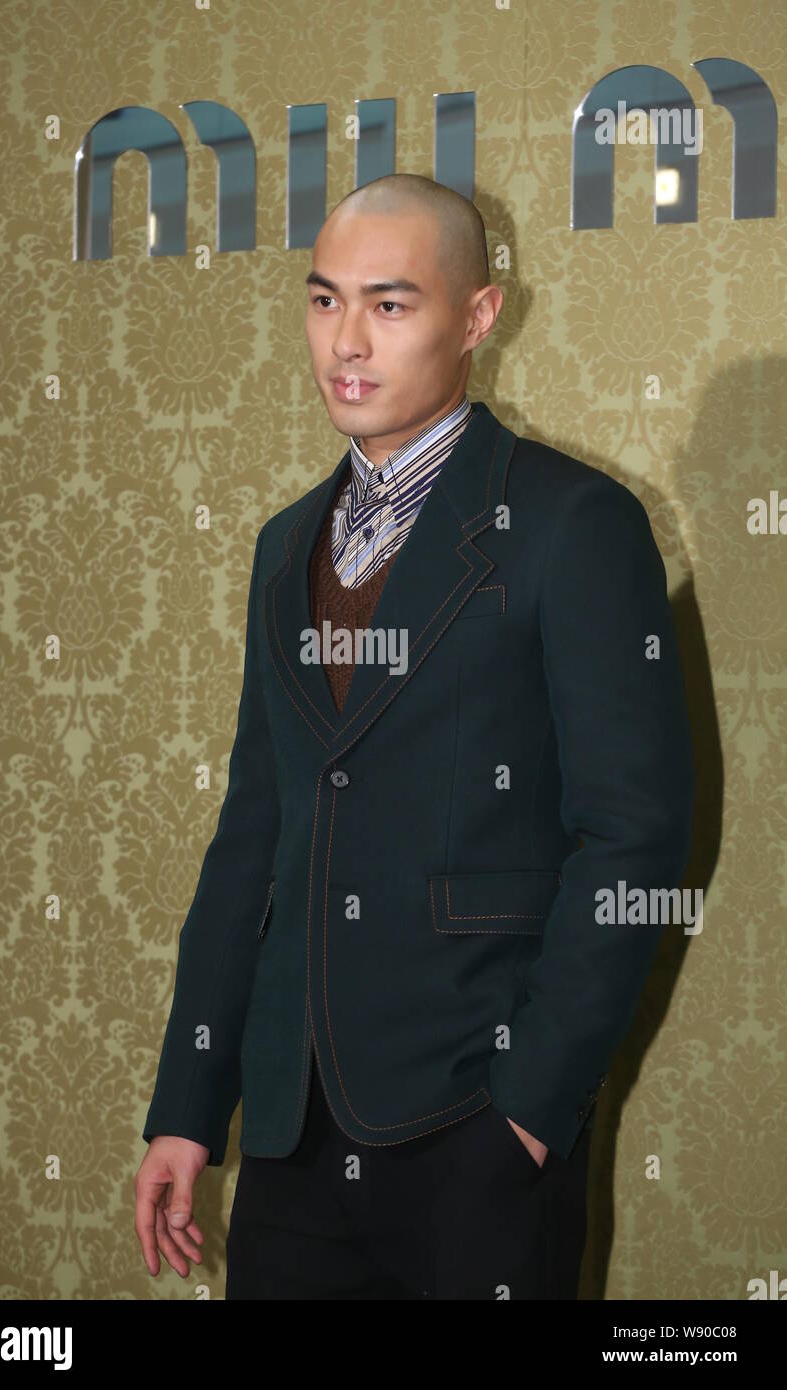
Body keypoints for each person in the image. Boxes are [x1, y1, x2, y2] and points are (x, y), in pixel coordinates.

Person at [133, 173, 694, 1299]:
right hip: (292, 1137)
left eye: (389, 305)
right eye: (323, 300)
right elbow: (255, 834)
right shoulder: (283, 547)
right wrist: (188, 1108)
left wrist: (530, 1112)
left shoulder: (572, 525)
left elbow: (632, 837)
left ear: (477, 318)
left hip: (474, 1133)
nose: (346, 341)